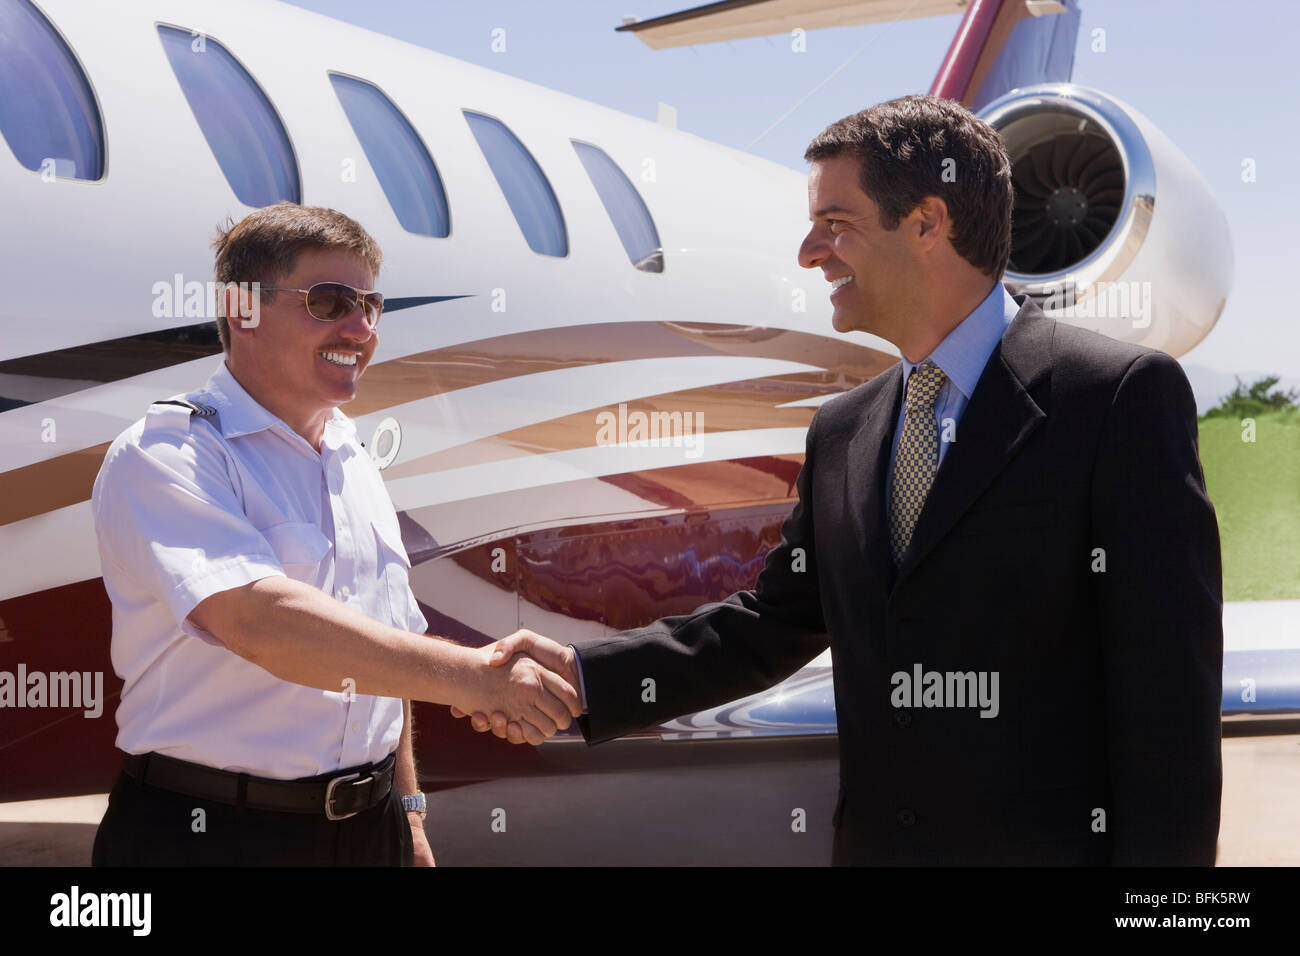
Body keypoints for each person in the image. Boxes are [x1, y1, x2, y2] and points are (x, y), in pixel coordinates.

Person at [457, 95, 1224, 866]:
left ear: (928, 223)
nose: (808, 252)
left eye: (836, 222)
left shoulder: (1115, 399)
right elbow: (774, 622)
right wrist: (587, 677)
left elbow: (1169, 705)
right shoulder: (843, 430)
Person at [91, 203, 579, 867]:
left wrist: (408, 812)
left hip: (370, 832)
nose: (361, 328)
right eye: (330, 301)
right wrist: (476, 679)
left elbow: (384, 651)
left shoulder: (352, 457)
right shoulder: (167, 453)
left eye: (372, 305)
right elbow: (263, 622)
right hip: (213, 836)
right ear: (243, 311)